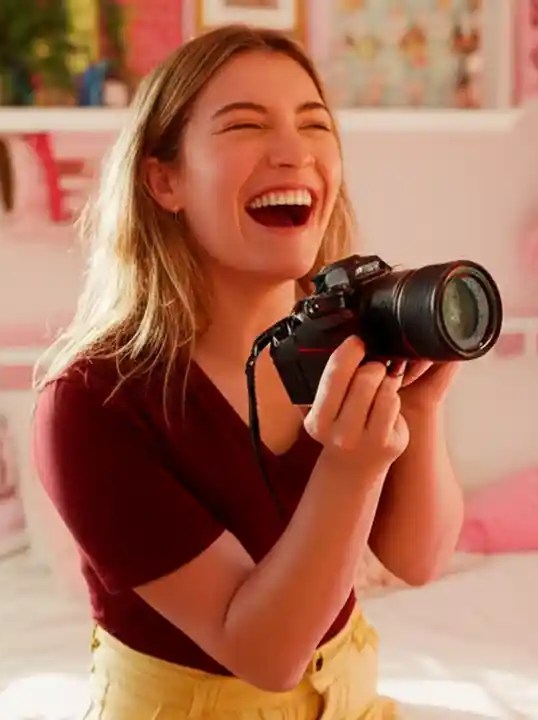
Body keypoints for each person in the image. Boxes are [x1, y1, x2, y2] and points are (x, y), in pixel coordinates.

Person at [31, 24, 465, 719]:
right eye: (244, 125)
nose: (294, 152)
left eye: (315, 124)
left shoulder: (347, 336)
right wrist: (349, 470)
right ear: (163, 179)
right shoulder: (91, 404)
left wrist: (421, 410)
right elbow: (264, 653)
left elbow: (418, 559)